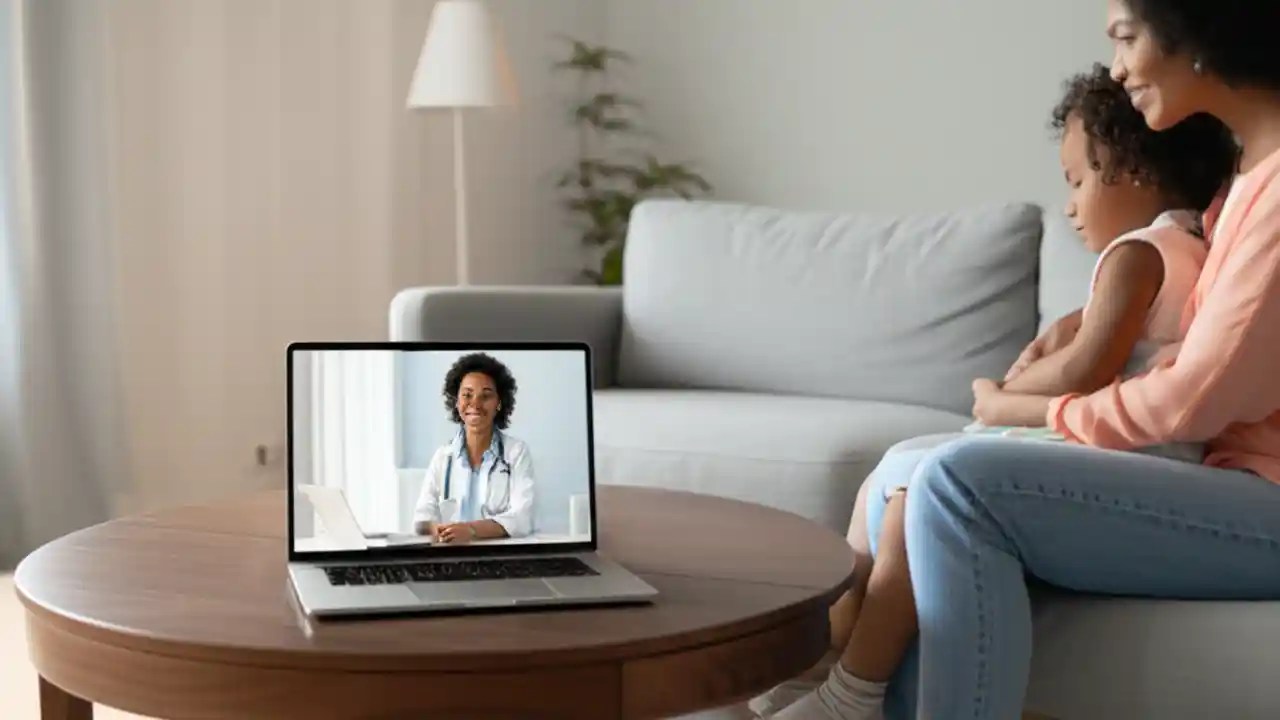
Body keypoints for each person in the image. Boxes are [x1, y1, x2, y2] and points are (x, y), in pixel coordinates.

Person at [760, 1, 1280, 717]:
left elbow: (1192, 401)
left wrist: (1031, 409)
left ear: (1198, 31)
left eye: (1127, 37)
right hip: (1234, 478)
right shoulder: (1238, 190)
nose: (1120, 65)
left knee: (954, 484)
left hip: (1266, 495)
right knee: (899, 480)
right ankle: (836, 687)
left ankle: (847, 694)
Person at [413, 353, 536, 543]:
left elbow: (522, 518)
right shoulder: (443, 456)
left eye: (486, 396)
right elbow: (422, 516)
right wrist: (437, 529)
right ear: (457, 401)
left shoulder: (516, 452)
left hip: (498, 555)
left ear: (499, 404)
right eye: (467, 395)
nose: (475, 404)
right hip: (449, 553)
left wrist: (471, 530)